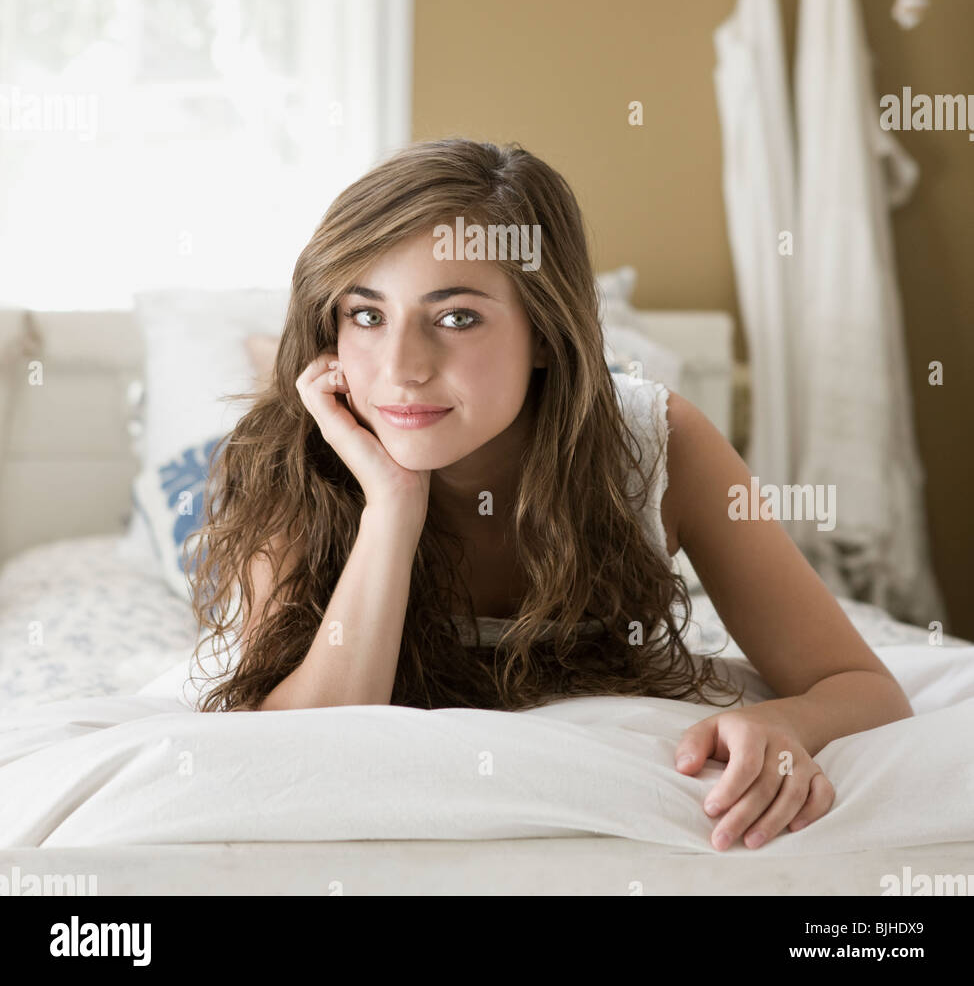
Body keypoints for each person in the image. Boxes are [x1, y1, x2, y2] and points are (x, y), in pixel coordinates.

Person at [188, 137, 913, 852]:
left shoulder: (658, 444)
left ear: (543, 331)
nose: (402, 369)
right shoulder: (289, 459)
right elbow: (297, 753)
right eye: (367, 315)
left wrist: (791, 724)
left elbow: (862, 687)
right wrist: (392, 505)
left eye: (456, 317)